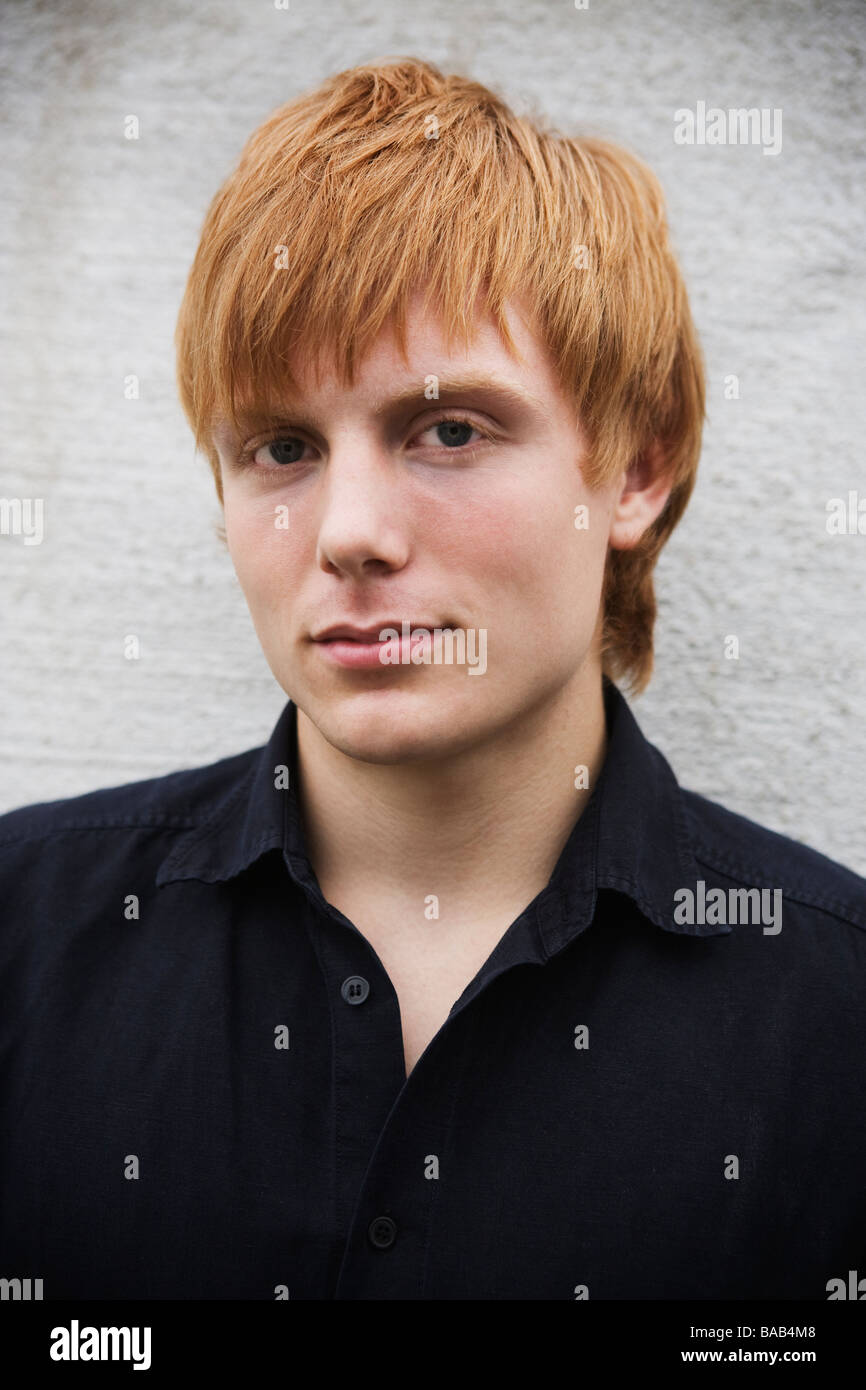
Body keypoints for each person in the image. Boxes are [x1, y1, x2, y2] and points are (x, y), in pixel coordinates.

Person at [1, 57, 864, 1302]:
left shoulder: (831, 1015)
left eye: (447, 429)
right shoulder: (28, 942)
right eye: (281, 447)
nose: (349, 530)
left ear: (634, 469)